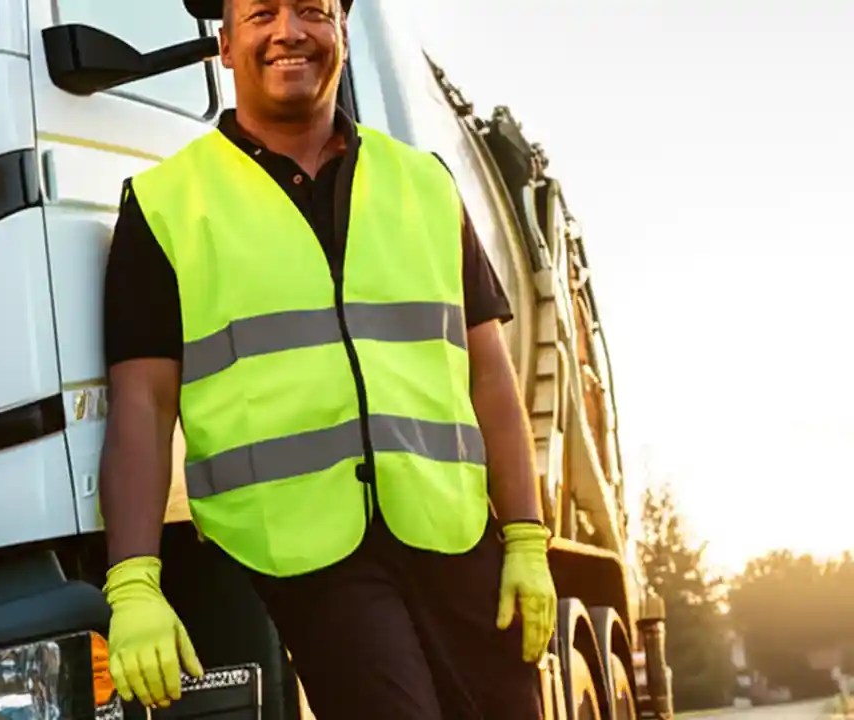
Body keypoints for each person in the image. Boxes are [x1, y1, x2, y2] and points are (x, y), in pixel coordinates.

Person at [96, 0, 557, 717]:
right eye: (261, 14)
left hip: (454, 533)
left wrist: (526, 535)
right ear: (224, 44)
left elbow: (489, 374)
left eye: (312, 10)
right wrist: (133, 582)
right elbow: (142, 406)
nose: (290, 32)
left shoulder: (426, 184)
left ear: (342, 33)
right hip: (301, 553)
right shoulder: (165, 204)